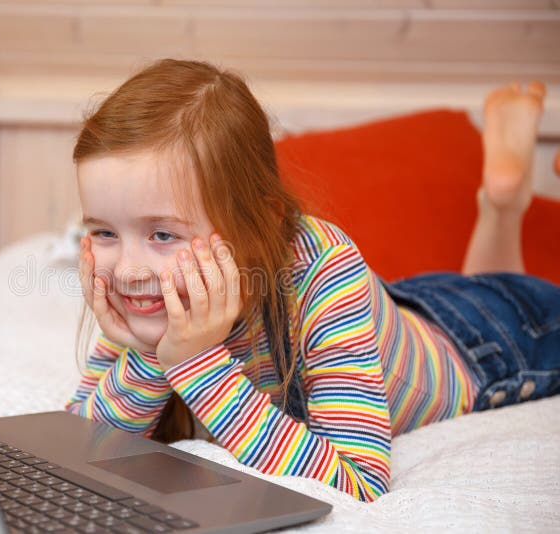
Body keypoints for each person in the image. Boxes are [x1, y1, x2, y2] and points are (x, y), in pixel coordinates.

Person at [65, 58, 560, 502]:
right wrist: (150, 355)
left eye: (162, 233)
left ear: (262, 222)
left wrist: (195, 362)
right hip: (396, 310)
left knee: (493, 292)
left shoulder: (323, 268)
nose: (128, 270)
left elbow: (359, 483)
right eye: (104, 231)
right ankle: (502, 202)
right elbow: (79, 447)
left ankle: (500, 200)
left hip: (481, 343)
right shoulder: (143, 293)